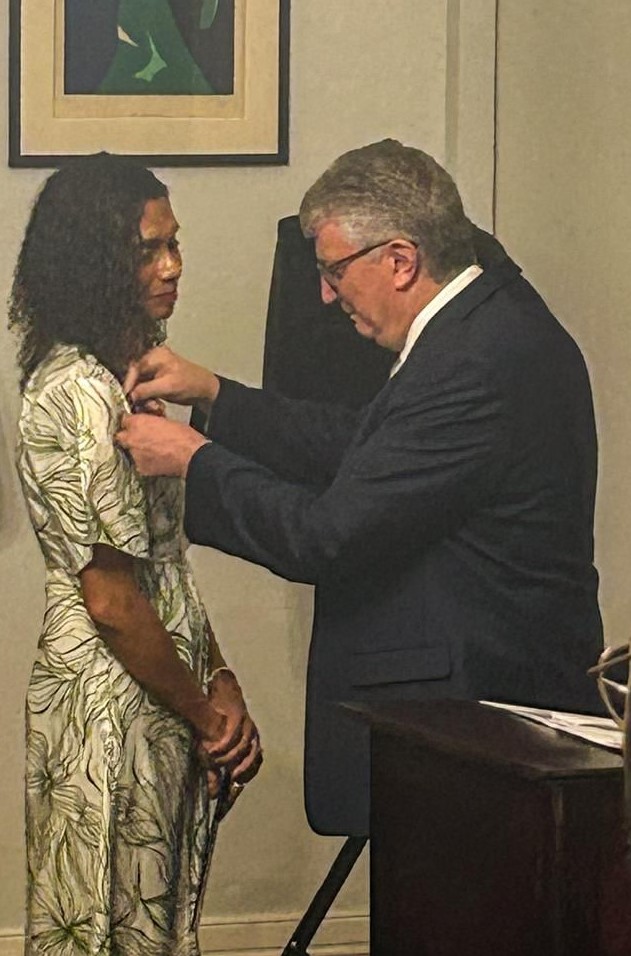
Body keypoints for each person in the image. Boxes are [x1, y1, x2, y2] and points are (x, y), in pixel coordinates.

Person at [116, 139, 603, 839]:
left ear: (400, 260)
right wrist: (218, 398)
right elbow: (366, 448)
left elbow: (326, 537)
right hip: (476, 705)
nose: (324, 294)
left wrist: (195, 461)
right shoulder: (481, 325)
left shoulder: (474, 359)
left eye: (333, 270)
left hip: (475, 718)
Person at [9, 152, 262, 955]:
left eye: (174, 244)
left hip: (162, 674)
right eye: (148, 250)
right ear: (94, 262)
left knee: (152, 920)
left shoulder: (127, 381)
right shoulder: (79, 391)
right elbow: (113, 601)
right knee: (104, 921)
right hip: (109, 692)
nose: (173, 267)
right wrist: (204, 714)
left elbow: (163, 566)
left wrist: (219, 680)